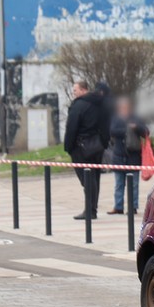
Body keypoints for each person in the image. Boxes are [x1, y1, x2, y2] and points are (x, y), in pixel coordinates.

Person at [63, 79, 106, 220]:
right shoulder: (99, 103)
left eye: (75, 90)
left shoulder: (79, 105)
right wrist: (104, 142)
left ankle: (89, 210)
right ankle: (93, 208)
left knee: (86, 179)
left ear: (83, 90)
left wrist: (68, 147)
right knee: (94, 178)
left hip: (81, 147)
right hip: (97, 146)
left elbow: (72, 127)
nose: (73, 93)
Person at [108, 96, 149, 215]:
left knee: (134, 184)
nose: (123, 109)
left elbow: (145, 132)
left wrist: (136, 127)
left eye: (125, 107)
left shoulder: (136, 118)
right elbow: (112, 131)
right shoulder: (115, 119)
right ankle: (118, 206)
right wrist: (127, 130)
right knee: (119, 184)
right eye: (121, 107)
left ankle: (133, 206)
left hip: (133, 156)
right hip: (119, 155)